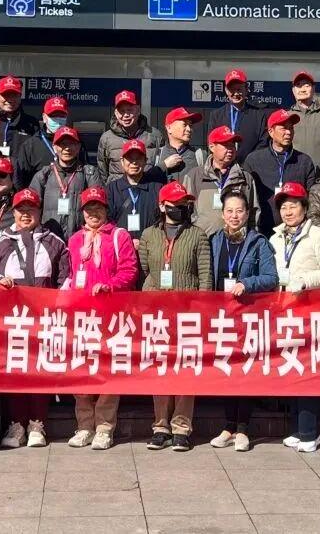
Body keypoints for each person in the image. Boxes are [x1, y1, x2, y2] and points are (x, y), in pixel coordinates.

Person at [62, 186, 137, 451]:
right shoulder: (74, 240)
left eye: (98, 207)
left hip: (110, 314)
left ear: (106, 209)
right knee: (81, 369)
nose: (93, 213)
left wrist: (110, 286)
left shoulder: (119, 236)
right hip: (82, 315)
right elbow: (70, 274)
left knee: (108, 370)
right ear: (82, 212)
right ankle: (84, 425)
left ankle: (104, 427)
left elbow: (129, 271)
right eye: (89, 208)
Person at [137, 182, 211, 452]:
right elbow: (145, 270)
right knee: (160, 369)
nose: (180, 208)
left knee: (185, 370)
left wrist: (202, 309)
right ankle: (160, 426)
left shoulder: (197, 235)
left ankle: (181, 427)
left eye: (183, 205)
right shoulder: (149, 235)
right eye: (174, 205)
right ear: (162, 206)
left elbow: (205, 276)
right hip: (157, 312)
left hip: (187, 312)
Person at [268, 182, 320, 453]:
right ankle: (297, 429)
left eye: (294, 205)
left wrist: (305, 281)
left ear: (305, 207)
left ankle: (311, 432)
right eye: (284, 207)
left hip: (311, 313)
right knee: (290, 369)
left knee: (308, 372)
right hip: (284, 314)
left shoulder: (319, 235)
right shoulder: (275, 239)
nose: (288, 211)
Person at [208, 191, 277, 452]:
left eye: (239, 211)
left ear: (247, 214)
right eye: (229, 211)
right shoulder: (214, 240)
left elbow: (271, 277)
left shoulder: (258, 242)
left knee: (245, 370)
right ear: (222, 214)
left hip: (248, 315)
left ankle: (243, 428)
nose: (234, 216)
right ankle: (228, 426)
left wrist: (247, 283)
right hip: (222, 316)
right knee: (226, 370)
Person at [244, 109, 320, 235]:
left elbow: (311, 199)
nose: (288, 132)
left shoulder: (304, 161)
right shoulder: (254, 160)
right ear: (271, 132)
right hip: (261, 230)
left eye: (291, 128)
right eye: (283, 128)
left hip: (296, 231)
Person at [28, 126, 102, 239]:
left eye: (71, 144)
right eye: (62, 144)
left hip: (80, 240)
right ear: (54, 147)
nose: (67, 148)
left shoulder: (90, 174)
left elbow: (98, 209)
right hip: (49, 240)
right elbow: (31, 210)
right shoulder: (43, 175)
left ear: (78, 147)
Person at [186, 126, 255, 236]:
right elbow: (186, 212)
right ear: (212, 147)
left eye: (233, 145)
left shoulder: (245, 178)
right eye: (226, 145)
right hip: (203, 241)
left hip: (237, 241)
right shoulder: (194, 176)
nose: (230, 149)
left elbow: (253, 213)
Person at [97, 90, 163, 181]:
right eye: (122, 111)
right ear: (116, 113)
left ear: (138, 110)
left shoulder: (155, 135)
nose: (126, 115)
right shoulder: (106, 138)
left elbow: (161, 167)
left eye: (130, 110)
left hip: (148, 188)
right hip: (117, 189)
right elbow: (102, 172)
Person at [106, 140, 163, 241]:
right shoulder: (112, 189)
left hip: (150, 245)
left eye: (139, 158)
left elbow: (162, 221)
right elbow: (107, 222)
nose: (134, 162)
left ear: (145, 161)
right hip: (121, 246)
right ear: (122, 161)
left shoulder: (157, 188)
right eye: (130, 158)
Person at [206, 69, 267, 161]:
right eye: (232, 90)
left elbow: (263, 143)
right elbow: (211, 142)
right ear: (226, 91)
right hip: (224, 165)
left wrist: (250, 162)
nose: (236, 93)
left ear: (246, 89)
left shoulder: (259, 115)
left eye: (239, 89)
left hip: (250, 166)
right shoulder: (216, 115)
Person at [286, 70, 320, 170]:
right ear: (293, 90)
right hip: (293, 171)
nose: (302, 89)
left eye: (306, 85)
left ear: (313, 88)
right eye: (298, 85)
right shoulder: (287, 116)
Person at [152, 107, 205, 185]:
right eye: (184, 125)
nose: (189, 129)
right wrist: (164, 165)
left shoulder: (200, 155)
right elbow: (143, 181)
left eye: (190, 125)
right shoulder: (156, 155)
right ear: (169, 128)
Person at [0, 75, 40, 156]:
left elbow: (35, 154)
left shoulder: (32, 124)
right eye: (5, 94)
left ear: (20, 97)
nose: (10, 100)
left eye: (14, 95)